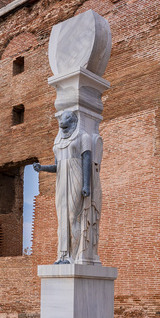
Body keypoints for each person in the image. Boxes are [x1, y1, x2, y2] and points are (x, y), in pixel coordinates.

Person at [34, 110, 102, 264]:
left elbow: (87, 161)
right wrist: (42, 168)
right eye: (61, 121)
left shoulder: (83, 137)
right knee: (62, 219)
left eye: (66, 120)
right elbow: (57, 166)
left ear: (74, 121)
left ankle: (75, 256)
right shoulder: (58, 142)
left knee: (73, 217)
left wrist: (86, 184)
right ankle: (62, 256)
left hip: (76, 177)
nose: (61, 124)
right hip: (61, 181)